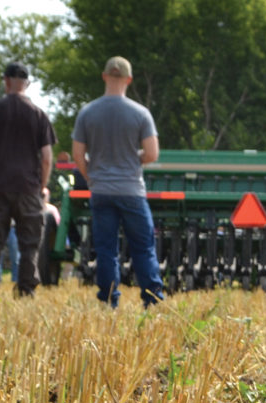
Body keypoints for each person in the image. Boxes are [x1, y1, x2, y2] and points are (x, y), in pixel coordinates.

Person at [71, 56, 166, 308]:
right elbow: (152, 153)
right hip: (132, 190)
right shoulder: (140, 113)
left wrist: (91, 177)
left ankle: (109, 300)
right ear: (129, 79)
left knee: (106, 250)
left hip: (101, 190)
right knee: (143, 247)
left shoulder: (87, 112)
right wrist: (133, 159)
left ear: (104, 76)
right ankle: (152, 300)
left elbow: (78, 154)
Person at [0, 62, 56, 299]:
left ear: (6, 81)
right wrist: (41, 185)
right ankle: (26, 288)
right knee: (30, 243)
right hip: (28, 187)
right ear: (26, 84)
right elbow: (47, 158)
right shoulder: (39, 114)